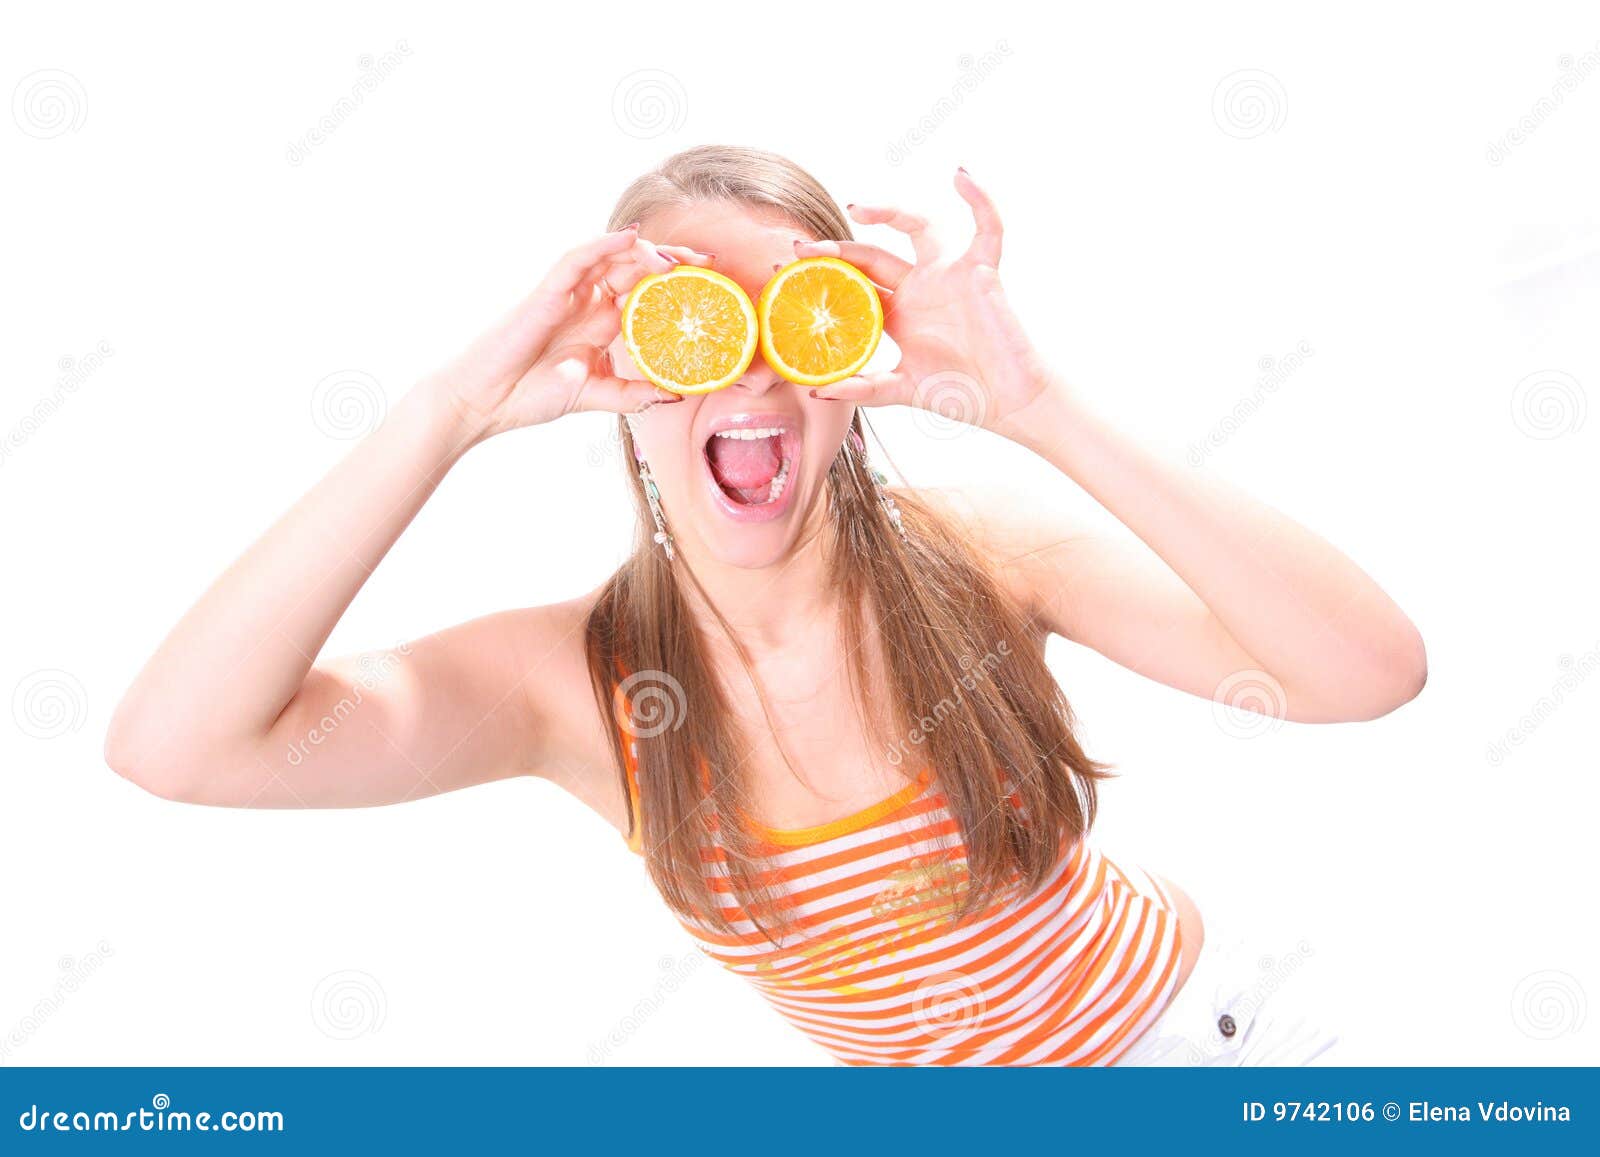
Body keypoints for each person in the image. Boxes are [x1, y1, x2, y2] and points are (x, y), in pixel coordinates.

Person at [105, 144, 1425, 1065]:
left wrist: (1038, 411)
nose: (746, 373)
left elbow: (1365, 672)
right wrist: (447, 414)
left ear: (854, 358)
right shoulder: (574, 684)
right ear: (622, 372)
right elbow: (181, 748)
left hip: (1219, 1047)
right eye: (692, 324)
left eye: (796, 318)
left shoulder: (982, 560)